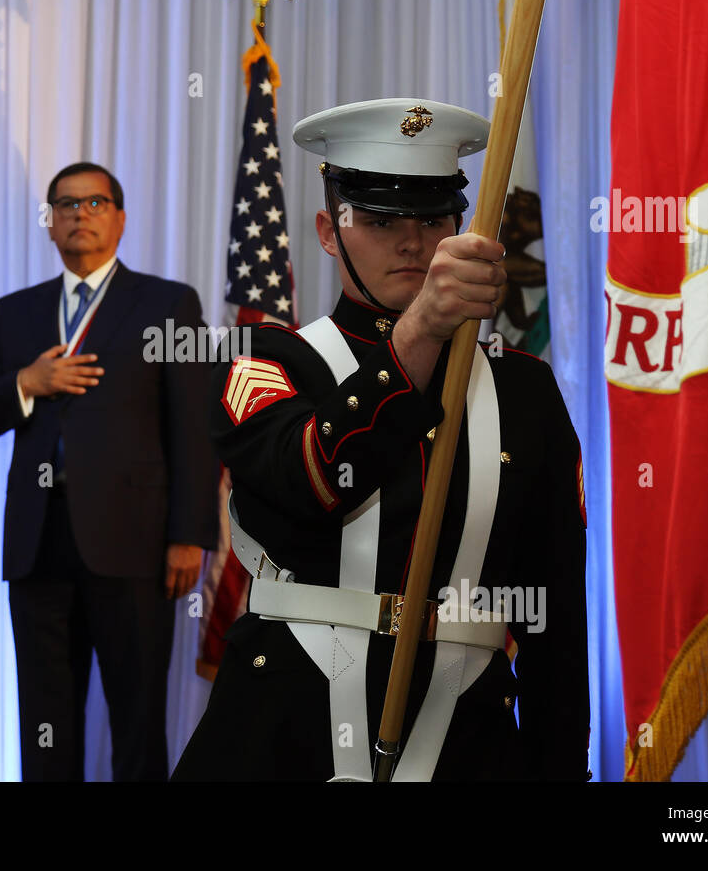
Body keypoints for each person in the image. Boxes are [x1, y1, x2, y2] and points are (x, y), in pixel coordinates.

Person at [173, 99, 589, 781]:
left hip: (469, 741)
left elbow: (556, 624)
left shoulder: (526, 391)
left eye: (433, 220)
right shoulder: (267, 361)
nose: (412, 242)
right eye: (379, 219)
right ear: (328, 233)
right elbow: (311, 483)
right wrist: (420, 332)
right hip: (284, 737)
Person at [0, 162, 219, 781]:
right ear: (49, 223)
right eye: (66, 204)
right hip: (37, 546)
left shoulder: (168, 302)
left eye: (95, 202)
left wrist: (191, 535)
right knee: (44, 720)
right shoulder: (14, 312)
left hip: (137, 545)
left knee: (136, 719)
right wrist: (27, 381)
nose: (80, 213)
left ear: (120, 219)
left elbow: (194, 426)